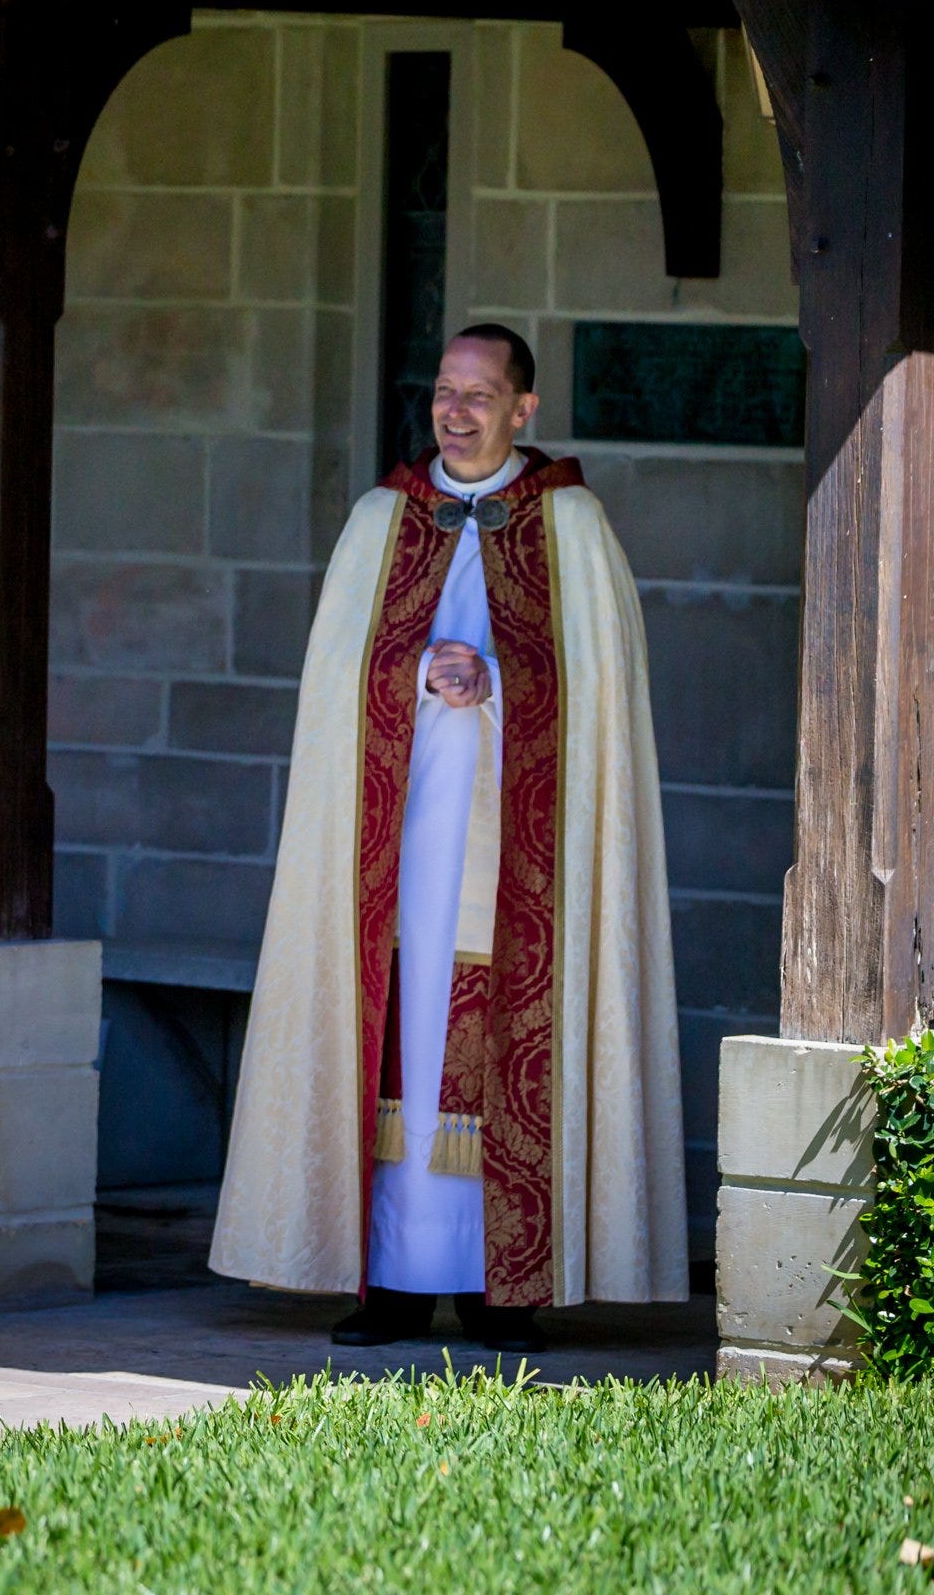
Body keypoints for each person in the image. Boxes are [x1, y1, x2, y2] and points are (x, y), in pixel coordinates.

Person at [210, 324, 685, 1352]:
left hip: (525, 853)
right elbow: (332, 680)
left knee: (502, 1038)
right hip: (398, 849)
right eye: (443, 391)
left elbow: (602, 690)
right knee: (399, 1034)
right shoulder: (381, 519)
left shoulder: (571, 524)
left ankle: (501, 1290)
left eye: (479, 394)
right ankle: (386, 1283)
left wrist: (500, 682)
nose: (455, 411)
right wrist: (416, 674)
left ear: (523, 408)